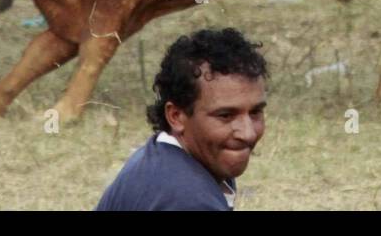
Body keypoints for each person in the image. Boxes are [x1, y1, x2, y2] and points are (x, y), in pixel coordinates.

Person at [96, 29, 268, 212]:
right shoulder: (187, 200)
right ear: (176, 116)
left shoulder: (160, 156)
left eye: (255, 112)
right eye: (225, 115)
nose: (248, 133)